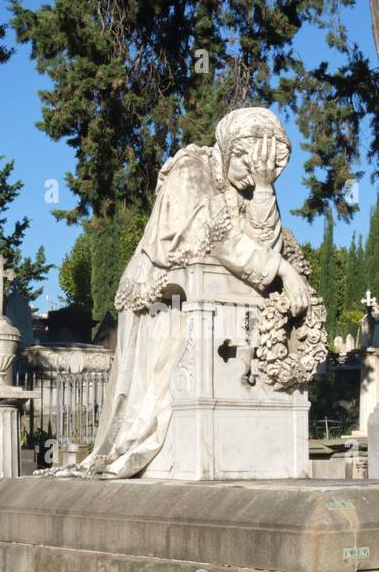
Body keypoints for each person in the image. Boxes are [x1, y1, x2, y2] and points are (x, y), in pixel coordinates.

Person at [53, 107, 312, 478]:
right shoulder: (191, 171)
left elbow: (262, 244)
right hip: (164, 300)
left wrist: (265, 189)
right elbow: (215, 241)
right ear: (230, 150)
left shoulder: (251, 187)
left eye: (266, 168)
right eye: (249, 164)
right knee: (153, 399)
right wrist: (283, 270)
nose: (253, 175)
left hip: (210, 297)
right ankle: (136, 451)